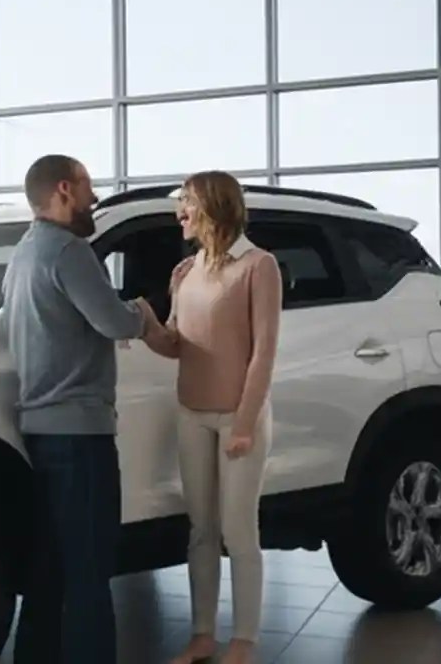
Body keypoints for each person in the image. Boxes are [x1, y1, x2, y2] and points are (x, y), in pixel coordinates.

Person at [3, 154, 159, 663]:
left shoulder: (23, 253)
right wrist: (143, 311)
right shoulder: (70, 252)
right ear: (65, 189)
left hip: (38, 431)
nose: (94, 197)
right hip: (80, 434)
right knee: (90, 572)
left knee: (48, 570)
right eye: (89, 186)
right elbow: (114, 323)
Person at [140, 171, 282, 664]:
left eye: (186, 203)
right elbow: (177, 345)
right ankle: (203, 634)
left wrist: (244, 423)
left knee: (238, 530)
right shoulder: (186, 271)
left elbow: (263, 353)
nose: (179, 212)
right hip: (192, 414)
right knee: (200, 529)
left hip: (238, 417)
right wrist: (147, 325)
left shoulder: (258, 266)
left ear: (213, 206)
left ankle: (244, 639)